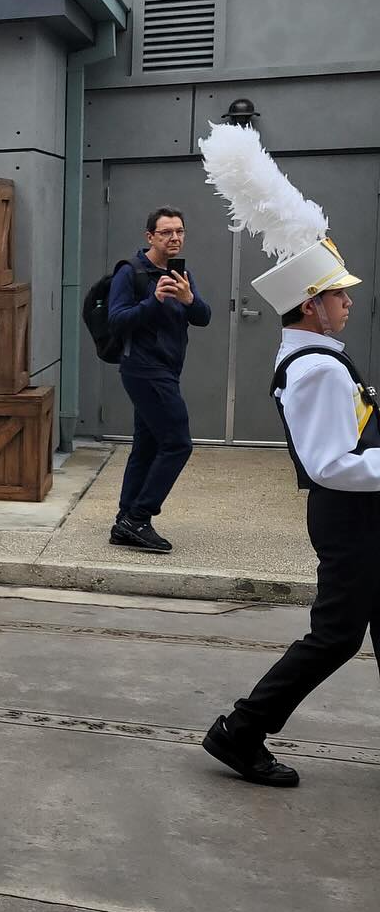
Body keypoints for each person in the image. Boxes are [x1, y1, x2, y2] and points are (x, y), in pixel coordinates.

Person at [197, 122, 370, 787]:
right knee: (334, 636)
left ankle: (241, 727)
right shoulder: (317, 368)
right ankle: (241, 729)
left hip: (360, 513)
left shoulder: (315, 354)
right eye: (338, 294)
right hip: (350, 515)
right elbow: (330, 462)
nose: (348, 302)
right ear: (309, 304)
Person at [106, 206, 212, 553]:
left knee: (148, 445)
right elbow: (118, 320)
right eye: (166, 232)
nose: (174, 238)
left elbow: (203, 318)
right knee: (178, 443)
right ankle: (139, 516)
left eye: (179, 231)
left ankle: (125, 522)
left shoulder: (183, 274)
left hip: (167, 370)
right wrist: (154, 300)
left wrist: (189, 299)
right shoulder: (130, 272)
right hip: (142, 369)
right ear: (150, 236)